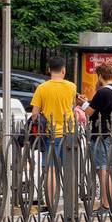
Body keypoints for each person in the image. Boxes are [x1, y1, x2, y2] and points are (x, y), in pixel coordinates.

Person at [30, 57, 77, 205]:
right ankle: (71, 204)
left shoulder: (41, 88)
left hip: (50, 134)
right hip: (69, 133)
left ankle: (51, 205)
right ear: (63, 70)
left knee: (50, 171)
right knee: (69, 170)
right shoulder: (71, 87)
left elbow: (34, 114)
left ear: (49, 70)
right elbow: (72, 106)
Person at [82, 61, 112, 209]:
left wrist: (82, 103)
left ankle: (105, 204)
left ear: (100, 76)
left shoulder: (103, 91)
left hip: (101, 134)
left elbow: (89, 112)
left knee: (102, 169)